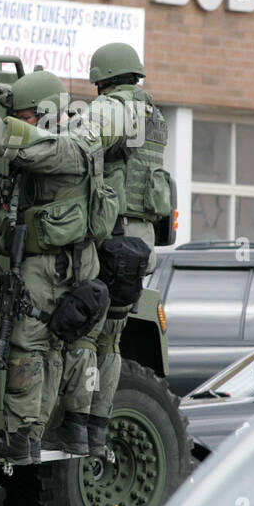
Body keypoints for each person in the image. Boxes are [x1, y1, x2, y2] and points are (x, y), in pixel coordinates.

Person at [0, 71, 116, 459]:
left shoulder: (64, 147)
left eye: (29, 115)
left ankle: (20, 437)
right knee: (51, 349)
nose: (26, 123)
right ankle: (30, 435)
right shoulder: (81, 138)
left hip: (50, 266)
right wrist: (10, 104)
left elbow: (4, 140)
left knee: (26, 346)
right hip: (71, 263)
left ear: (47, 113)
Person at [85, 43, 170, 459]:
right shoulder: (155, 115)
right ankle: (98, 428)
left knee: (84, 337)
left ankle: (76, 423)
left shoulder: (113, 109)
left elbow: (76, 144)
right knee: (112, 340)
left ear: (103, 79)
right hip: (141, 245)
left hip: (110, 239)